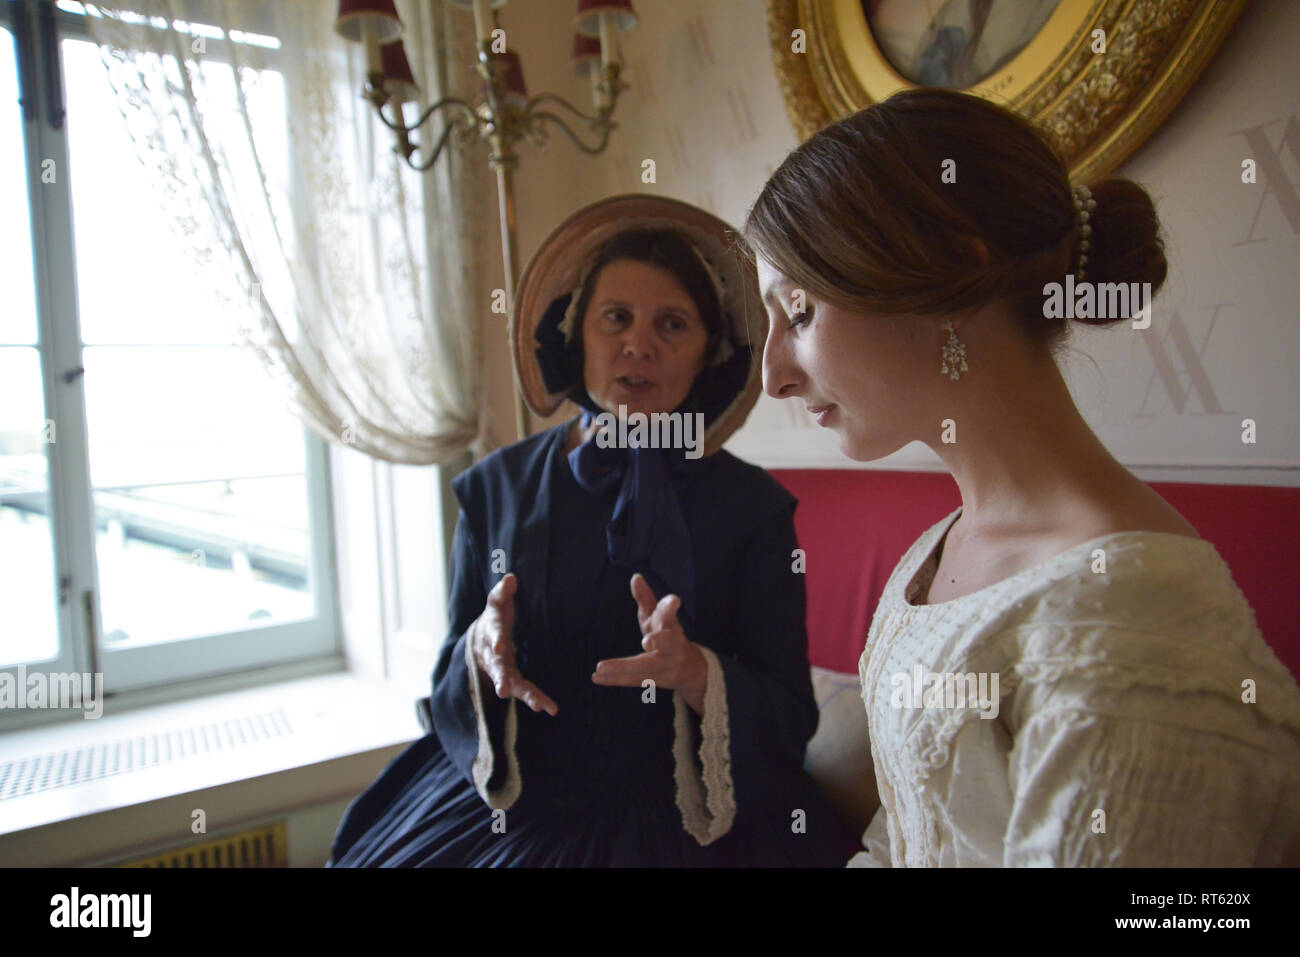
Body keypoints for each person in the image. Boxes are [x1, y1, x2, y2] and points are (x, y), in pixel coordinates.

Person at [746, 88, 1300, 866]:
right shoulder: (937, 549)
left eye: (798, 312)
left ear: (949, 275)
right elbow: (907, 829)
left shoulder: (1125, 629)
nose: (772, 375)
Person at [328, 195, 853, 867]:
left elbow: (788, 714)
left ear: (707, 356)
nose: (639, 343)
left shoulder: (754, 510)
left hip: (687, 823)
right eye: (616, 318)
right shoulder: (494, 487)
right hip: (518, 809)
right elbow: (444, 679)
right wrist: (482, 653)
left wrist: (697, 672)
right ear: (577, 335)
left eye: (672, 324)